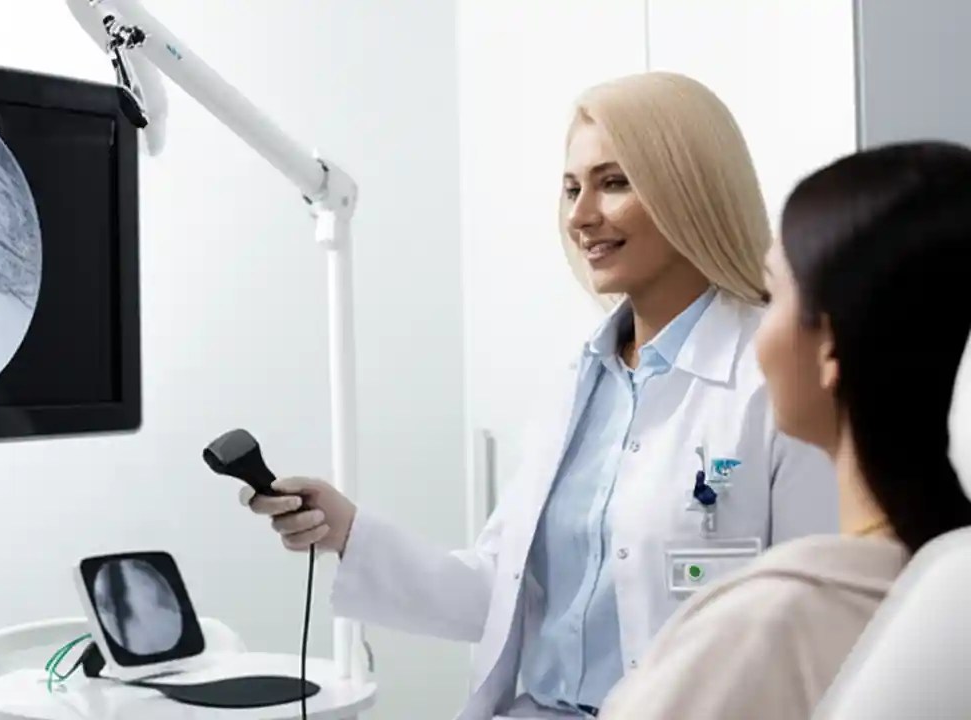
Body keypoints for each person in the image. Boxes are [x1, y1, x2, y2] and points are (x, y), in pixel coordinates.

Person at [241, 71, 838, 719]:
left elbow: (820, 628)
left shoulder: (776, 378)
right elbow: (501, 595)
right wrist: (347, 531)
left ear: (692, 188)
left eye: (613, 183)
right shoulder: (578, 386)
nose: (581, 217)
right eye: (571, 188)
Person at [598, 140, 971, 719]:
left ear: (831, 345)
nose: (757, 335)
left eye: (771, 297)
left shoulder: (769, 628)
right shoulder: (944, 602)